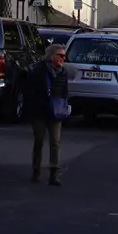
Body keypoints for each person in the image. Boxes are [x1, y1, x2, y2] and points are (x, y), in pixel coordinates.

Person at [25, 44, 70, 185]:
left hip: (56, 112)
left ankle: (53, 173)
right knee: (39, 141)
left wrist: (63, 106)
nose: (63, 58)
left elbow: (65, 91)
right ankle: (36, 170)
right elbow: (30, 91)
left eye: (64, 56)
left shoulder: (63, 72)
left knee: (55, 142)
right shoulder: (39, 71)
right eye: (60, 55)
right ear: (52, 56)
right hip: (40, 112)